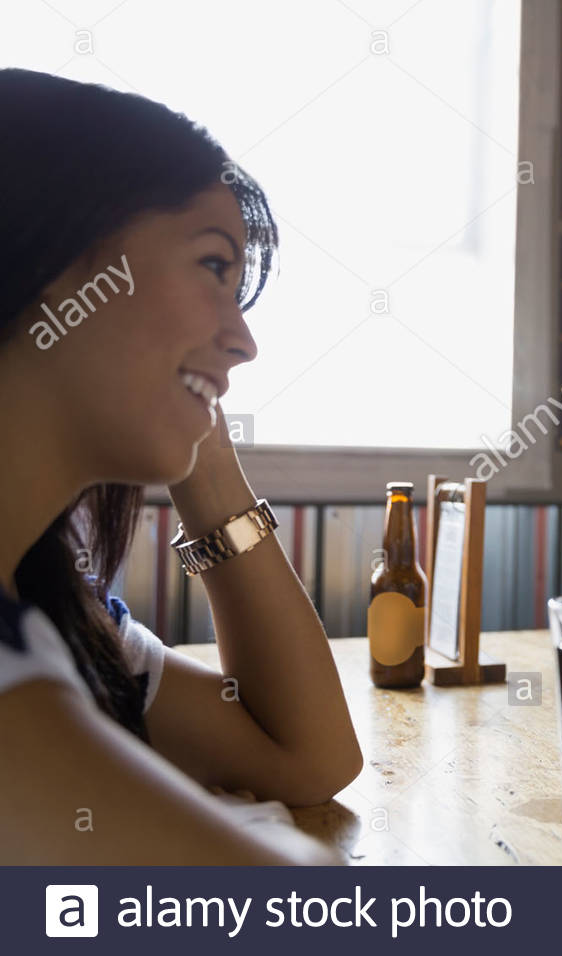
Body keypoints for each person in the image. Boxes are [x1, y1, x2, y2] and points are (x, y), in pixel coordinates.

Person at [0, 70, 362, 864]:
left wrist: (202, 449)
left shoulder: (50, 608)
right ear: (58, 254)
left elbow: (312, 757)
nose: (245, 340)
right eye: (212, 268)